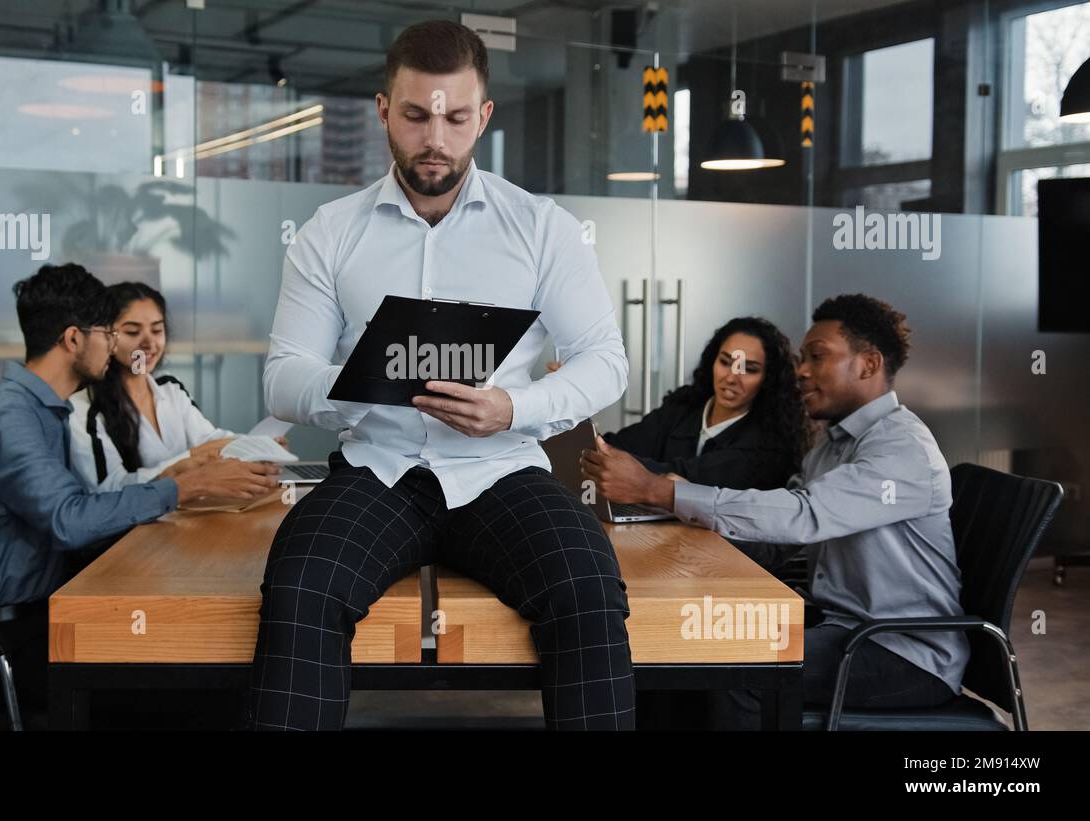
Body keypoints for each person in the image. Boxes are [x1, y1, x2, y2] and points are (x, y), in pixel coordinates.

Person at [250, 20, 634, 730]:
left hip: (502, 472)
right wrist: (368, 381)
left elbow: (607, 360)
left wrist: (512, 407)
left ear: (483, 115)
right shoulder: (330, 234)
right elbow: (281, 379)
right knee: (301, 583)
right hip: (379, 472)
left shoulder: (541, 228)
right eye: (417, 115)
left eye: (457, 117)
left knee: (587, 580)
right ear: (383, 111)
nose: (436, 137)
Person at [625, 294, 968, 727]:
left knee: (740, 672)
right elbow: (779, 540)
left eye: (817, 357)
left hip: (900, 651)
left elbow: (803, 516)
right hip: (841, 628)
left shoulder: (901, 448)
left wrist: (669, 493)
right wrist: (683, 548)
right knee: (683, 639)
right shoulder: (830, 446)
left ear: (868, 364)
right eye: (802, 358)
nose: (801, 371)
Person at [0, 264, 279, 701]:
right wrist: (186, 485)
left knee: (205, 658)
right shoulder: (12, 416)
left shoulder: (45, 410)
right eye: (108, 331)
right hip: (2, 635)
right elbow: (69, 520)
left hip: (42, 610)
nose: (114, 344)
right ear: (74, 339)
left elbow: (82, 505)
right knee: (197, 681)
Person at [68, 282, 284, 492]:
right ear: (107, 337)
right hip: (136, 526)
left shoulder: (169, 387)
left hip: (185, 514)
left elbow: (209, 439)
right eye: (133, 332)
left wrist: (258, 446)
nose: (149, 343)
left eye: (157, 330)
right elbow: (110, 491)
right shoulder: (83, 409)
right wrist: (190, 459)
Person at [582, 316, 807, 502]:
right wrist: (578, 406)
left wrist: (616, 462)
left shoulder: (767, 445)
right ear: (712, 361)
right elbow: (620, 444)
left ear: (768, 379)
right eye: (726, 362)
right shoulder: (683, 407)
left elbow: (688, 477)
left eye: (749, 369)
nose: (731, 377)